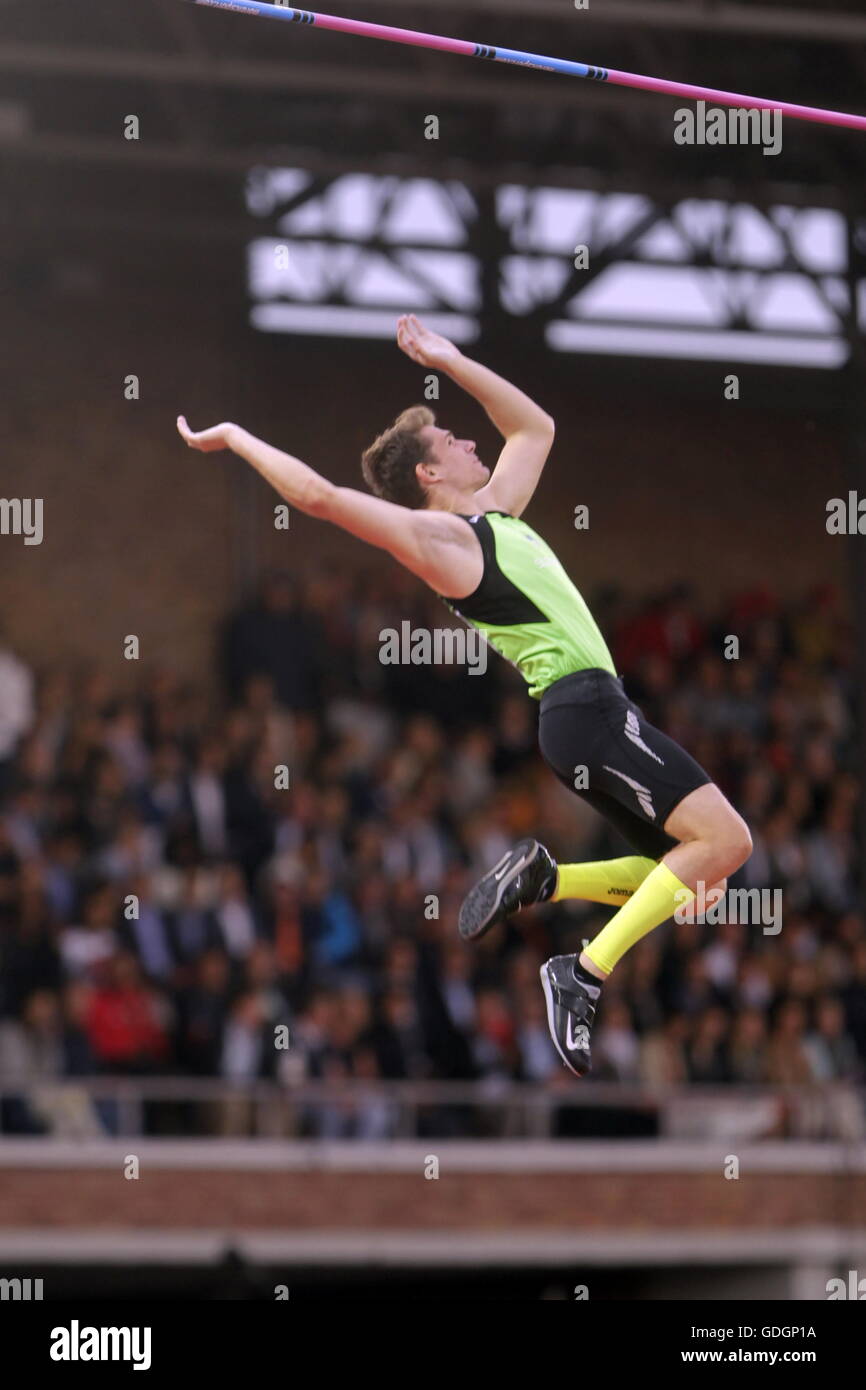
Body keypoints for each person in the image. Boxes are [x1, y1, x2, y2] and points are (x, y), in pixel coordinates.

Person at [177, 313, 752, 1078]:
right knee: (730, 843)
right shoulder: (446, 544)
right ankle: (580, 973)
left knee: (694, 871)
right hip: (585, 711)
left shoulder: (497, 516)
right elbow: (317, 496)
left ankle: (548, 881)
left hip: (589, 716)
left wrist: (451, 361)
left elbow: (536, 428)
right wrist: (238, 437)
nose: (474, 443)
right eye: (454, 442)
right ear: (429, 475)